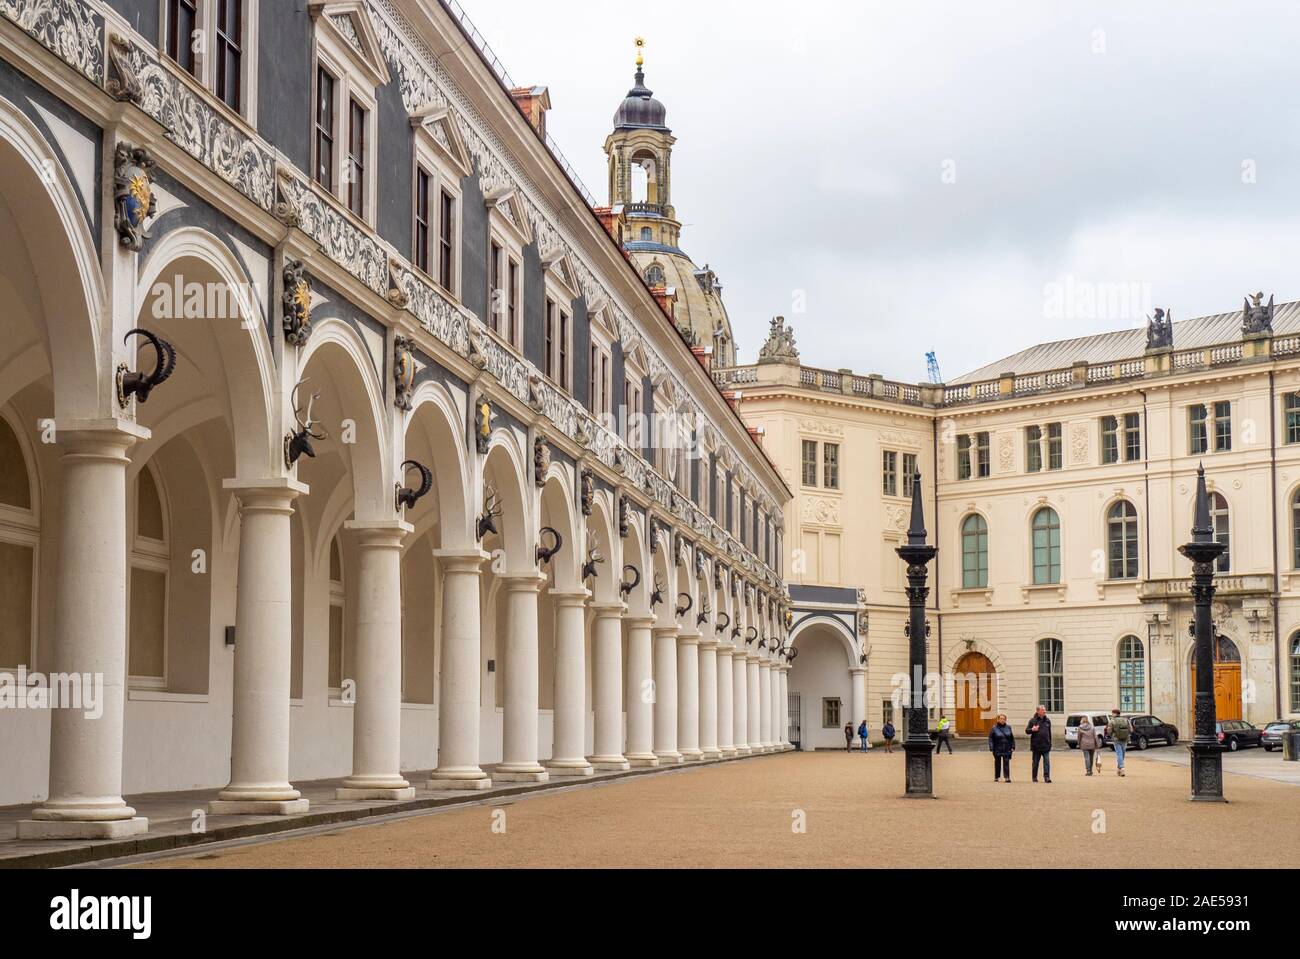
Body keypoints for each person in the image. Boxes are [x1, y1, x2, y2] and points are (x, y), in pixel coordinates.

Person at [1026, 706, 1053, 783]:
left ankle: (1047, 777)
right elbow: (1027, 731)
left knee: (1047, 762)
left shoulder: (1047, 720)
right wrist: (1032, 729)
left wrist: (1050, 743)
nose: (1045, 711)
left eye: (1045, 710)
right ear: (1038, 711)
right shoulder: (1032, 721)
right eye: (1043, 710)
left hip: (1046, 745)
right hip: (1036, 746)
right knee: (1035, 763)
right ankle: (1034, 777)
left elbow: (1049, 733)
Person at [988, 713, 1015, 782]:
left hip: (1007, 748)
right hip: (997, 748)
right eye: (1001, 719)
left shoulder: (1008, 727)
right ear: (998, 719)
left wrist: (1013, 746)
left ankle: (1007, 777)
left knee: (1006, 763)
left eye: (1004, 719)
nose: (1002, 720)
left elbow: (1012, 738)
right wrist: (991, 747)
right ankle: (997, 776)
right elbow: (990, 738)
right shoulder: (994, 728)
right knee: (997, 763)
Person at [1106, 708, 1130, 777]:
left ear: (1115, 714)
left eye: (1112, 713)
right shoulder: (1126, 720)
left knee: (1119, 754)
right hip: (1125, 739)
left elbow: (1109, 731)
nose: (1112, 714)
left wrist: (1112, 736)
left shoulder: (1112, 721)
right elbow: (1131, 729)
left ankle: (1122, 769)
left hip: (1116, 739)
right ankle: (1119, 769)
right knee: (1122, 754)